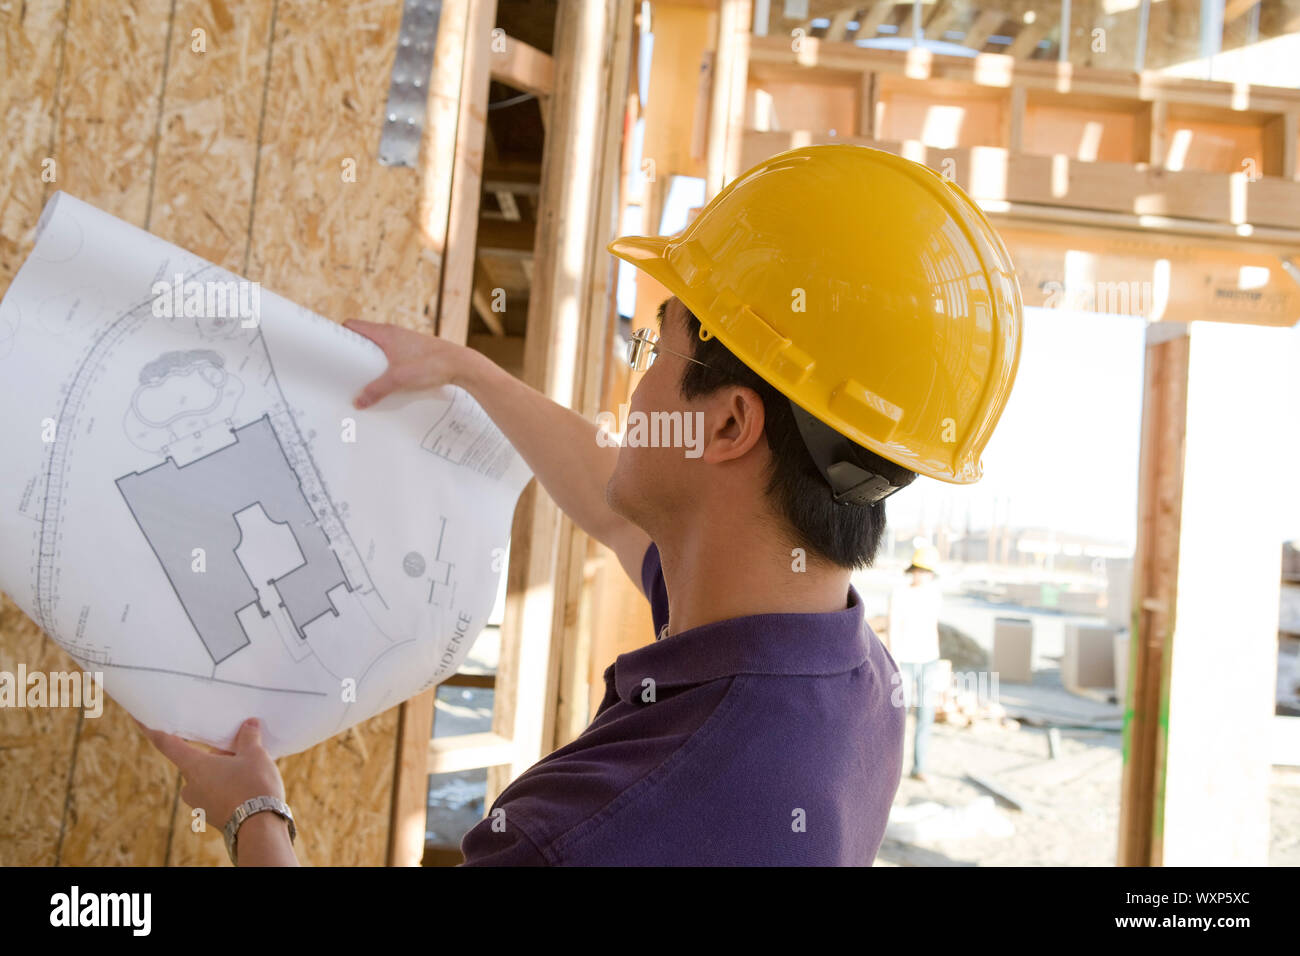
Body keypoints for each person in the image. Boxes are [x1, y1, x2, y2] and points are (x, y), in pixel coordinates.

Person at [139, 144, 1022, 865]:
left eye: (654, 352)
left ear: (728, 424)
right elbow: (623, 511)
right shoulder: (848, 681)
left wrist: (254, 811)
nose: (632, 394)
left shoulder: (599, 828)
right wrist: (467, 372)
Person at [887, 545, 943, 783]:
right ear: (914, 570)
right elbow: (892, 628)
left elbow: (934, 629)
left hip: (929, 661)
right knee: (899, 716)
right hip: (905, 662)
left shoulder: (934, 595)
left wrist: (938, 663)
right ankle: (891, 769)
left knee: (926, 716)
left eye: (928, 571)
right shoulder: (900, 594)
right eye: (921, 570)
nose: (924, 575)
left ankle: (919, 767)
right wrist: (894, 662)